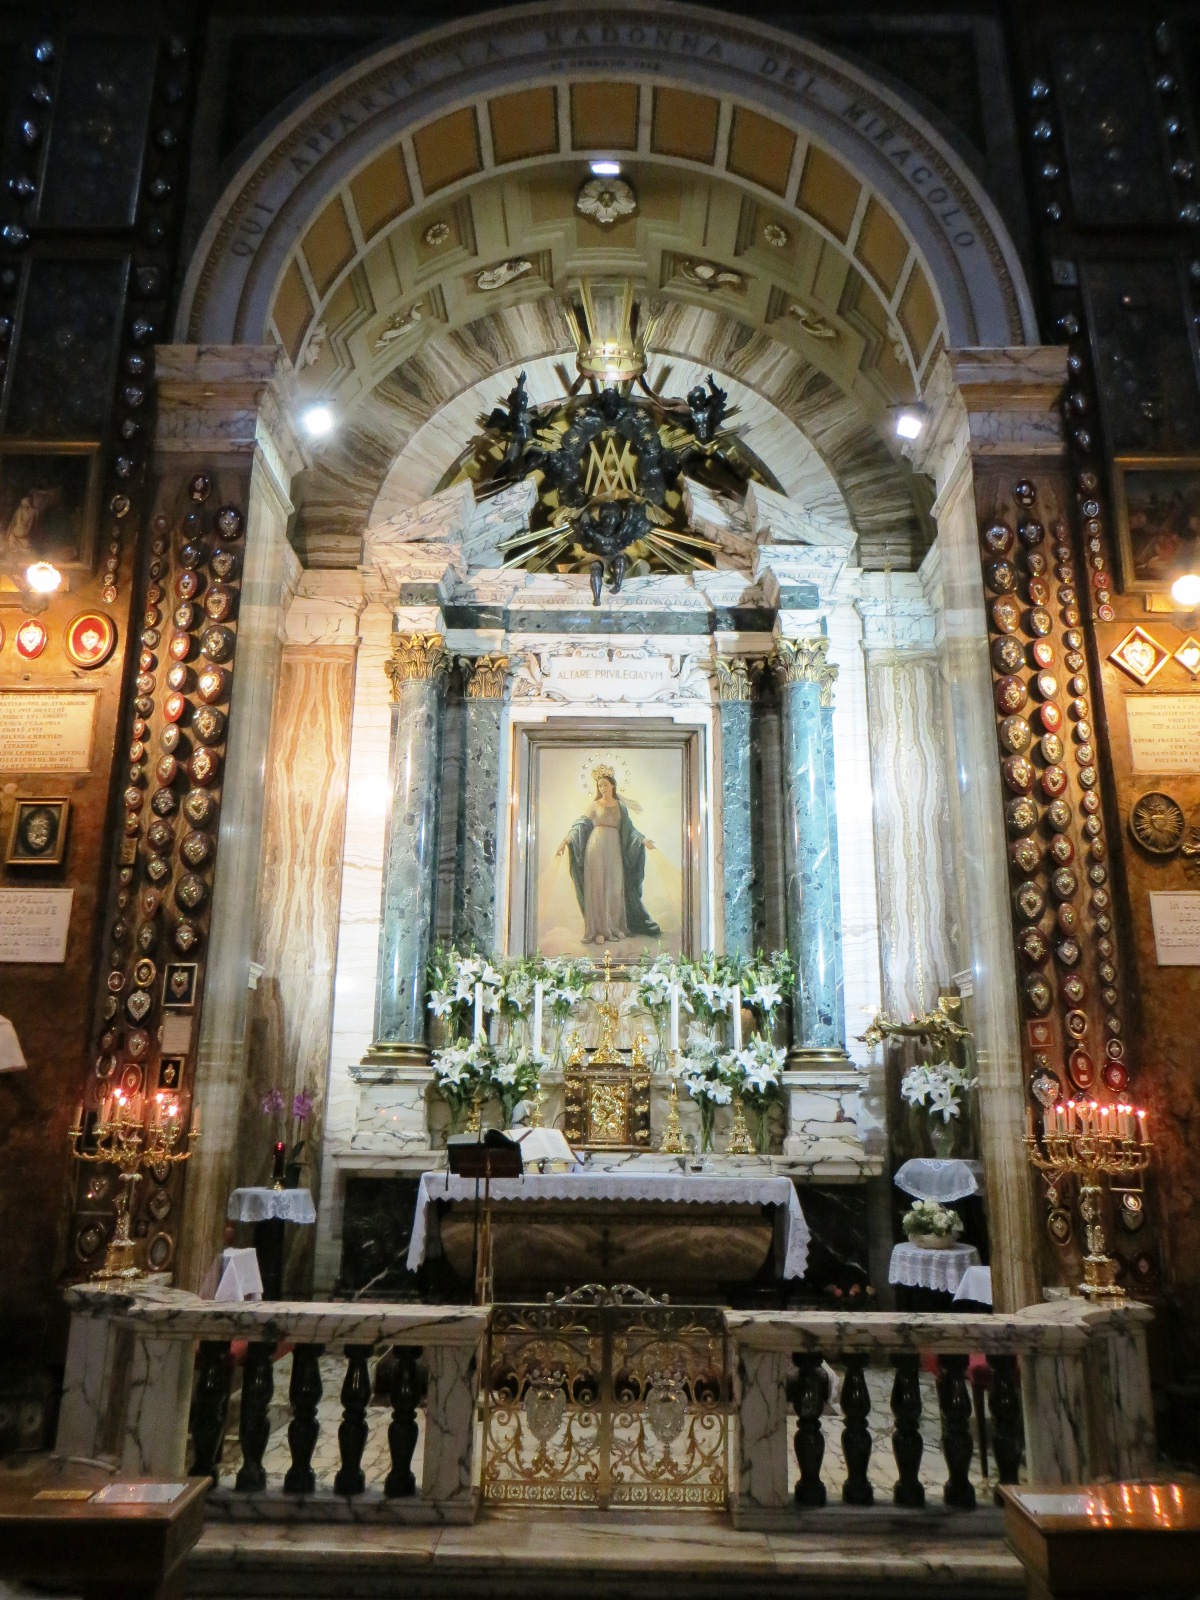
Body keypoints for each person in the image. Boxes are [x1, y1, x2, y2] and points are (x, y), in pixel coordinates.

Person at [556, 766, 660, 944]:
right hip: (596, 847)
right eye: (599, 785)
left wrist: (643, 840)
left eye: (605, 784)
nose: (602, 788)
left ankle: (615, 927)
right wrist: (566, 840)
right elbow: (581, 824)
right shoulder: (595, 805)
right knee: (597, 887)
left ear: (612, 785)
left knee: (614, 887)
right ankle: (598, 930)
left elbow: (629, 829)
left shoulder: (621, 807)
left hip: (614, 849)